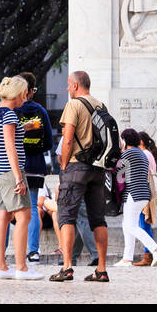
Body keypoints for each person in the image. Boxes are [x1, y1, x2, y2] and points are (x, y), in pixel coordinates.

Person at [50, 70, 110, 283]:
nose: (67, 88)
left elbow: (67, 140)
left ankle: (67, 267)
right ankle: (101, 269)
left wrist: (65, 164)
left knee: (66, 215)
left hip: (77, 166)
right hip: (98, 168)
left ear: (75, 85)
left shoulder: (73, 105)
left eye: (68, 84)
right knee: (97, 219)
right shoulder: (100, 105)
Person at [0, 75, 43, 281]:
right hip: (10, 172)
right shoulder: (9, 115)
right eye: (25, 92)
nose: (26, 97)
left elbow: (2, 139)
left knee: (2, 216)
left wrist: (25, 127)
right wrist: (19, 177)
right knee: (24, 217)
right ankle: (22, 267)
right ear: (19, 93)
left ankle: (1, 266)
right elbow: (10, 147)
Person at [15, 71, 53, 262]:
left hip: (16, 166)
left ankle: (3, 249)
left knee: (9, 208)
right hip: (36, 165)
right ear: (31, 90)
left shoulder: (13, 110)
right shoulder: (41, 111)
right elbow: (48, 143)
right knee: (31, 207)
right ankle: (33, 250)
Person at [115, 128, 157, 267]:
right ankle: (127, 258)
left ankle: (155, 249)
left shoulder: (128, 153)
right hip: (143, 194)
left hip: (133, 193)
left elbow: (119, 175)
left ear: (124, 140)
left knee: (130, 226)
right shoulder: (142, 153)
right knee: (127, 225)